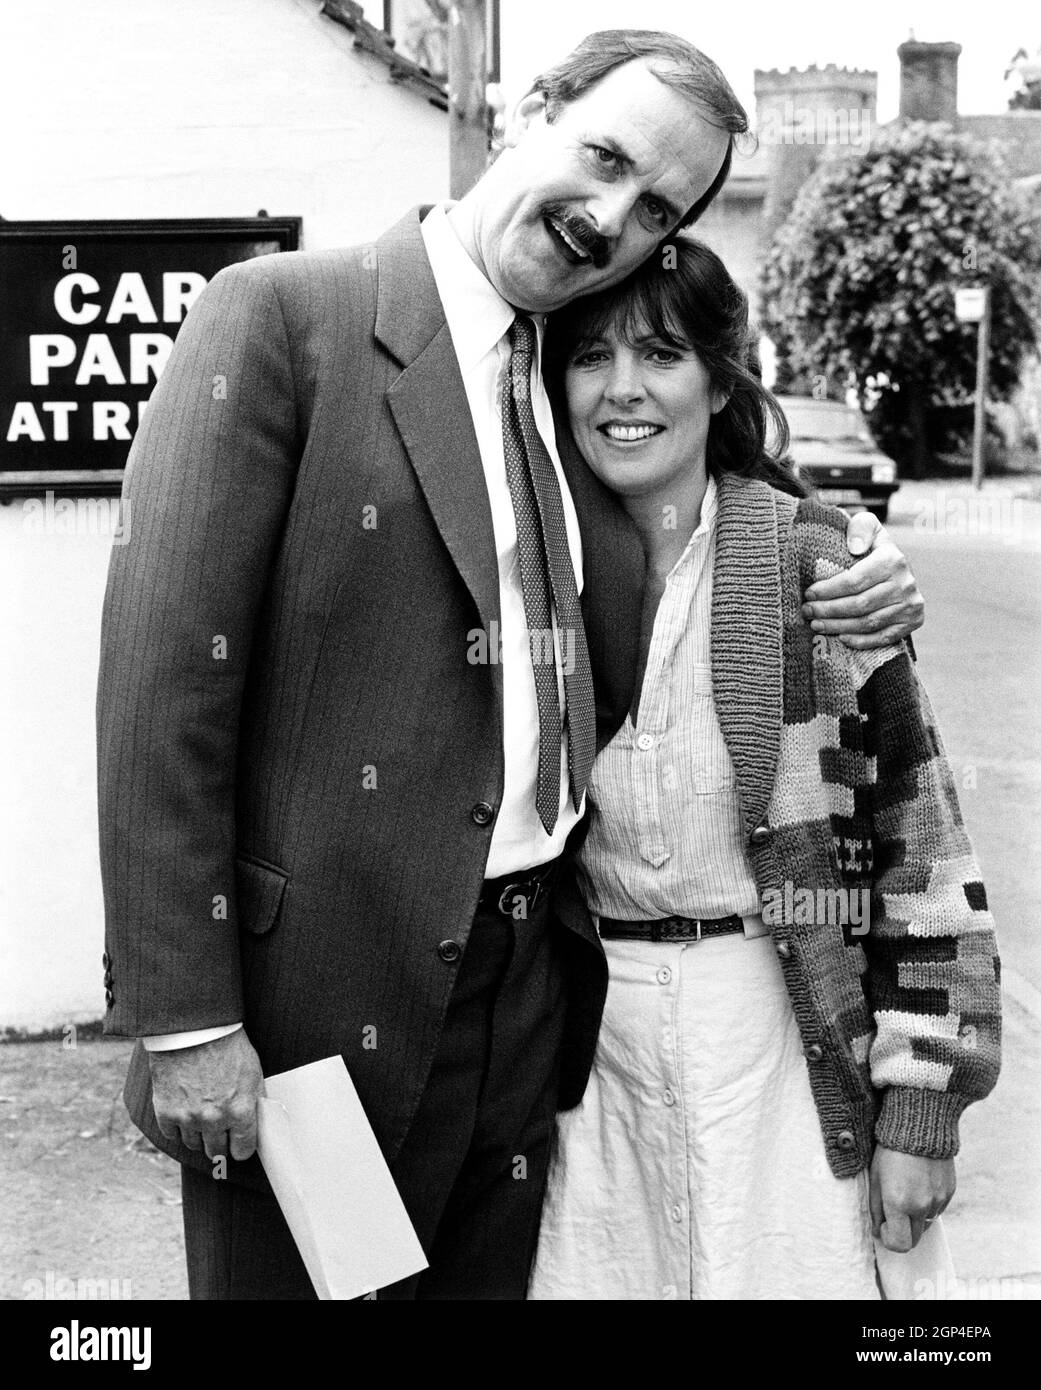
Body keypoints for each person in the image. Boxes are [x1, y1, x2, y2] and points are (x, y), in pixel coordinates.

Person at [96, 30, 925, 1301]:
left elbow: (703, 501)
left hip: (534, 1003)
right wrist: (186, 1020)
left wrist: (847, 553)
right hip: (322, 1011)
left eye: (656, 208)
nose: (608, 217)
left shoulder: (564, 372)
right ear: (530, 109)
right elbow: (165, 689)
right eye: (602, 157)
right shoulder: (283, 319)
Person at [526, 236, 1001, 1301]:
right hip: (593, 1058)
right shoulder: (532, 573)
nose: (624, 390)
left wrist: (923, 1108)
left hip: (790, 1033)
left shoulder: (819, 565)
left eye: (661, 354)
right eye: (590, 358)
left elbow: (920, 851)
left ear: (719, 378)